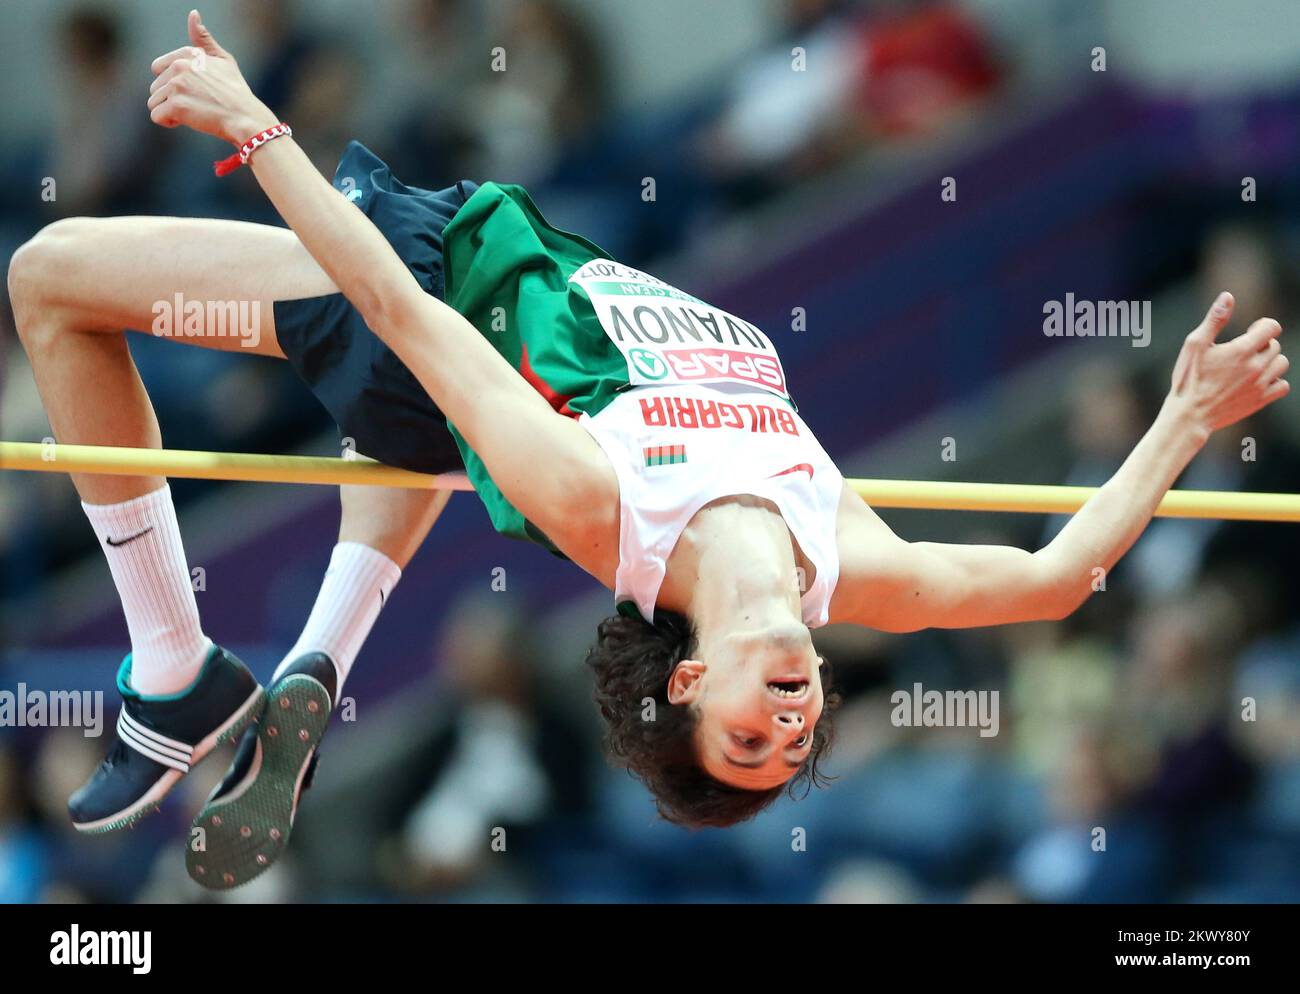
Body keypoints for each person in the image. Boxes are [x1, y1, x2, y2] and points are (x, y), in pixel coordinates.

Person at [11, 10, 1290, 890]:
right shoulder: (853, 564)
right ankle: (311, 664)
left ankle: (175, 666)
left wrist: (255, 129)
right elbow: (1058, 575)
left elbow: (408, 315)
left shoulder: (602, 504)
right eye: (796, 743)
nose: (786, 729)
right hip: (480, 313)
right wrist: (1180, 418)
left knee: (51, 278)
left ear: (689, 689)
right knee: (410, 437)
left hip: (426, 274)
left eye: (749, 740)